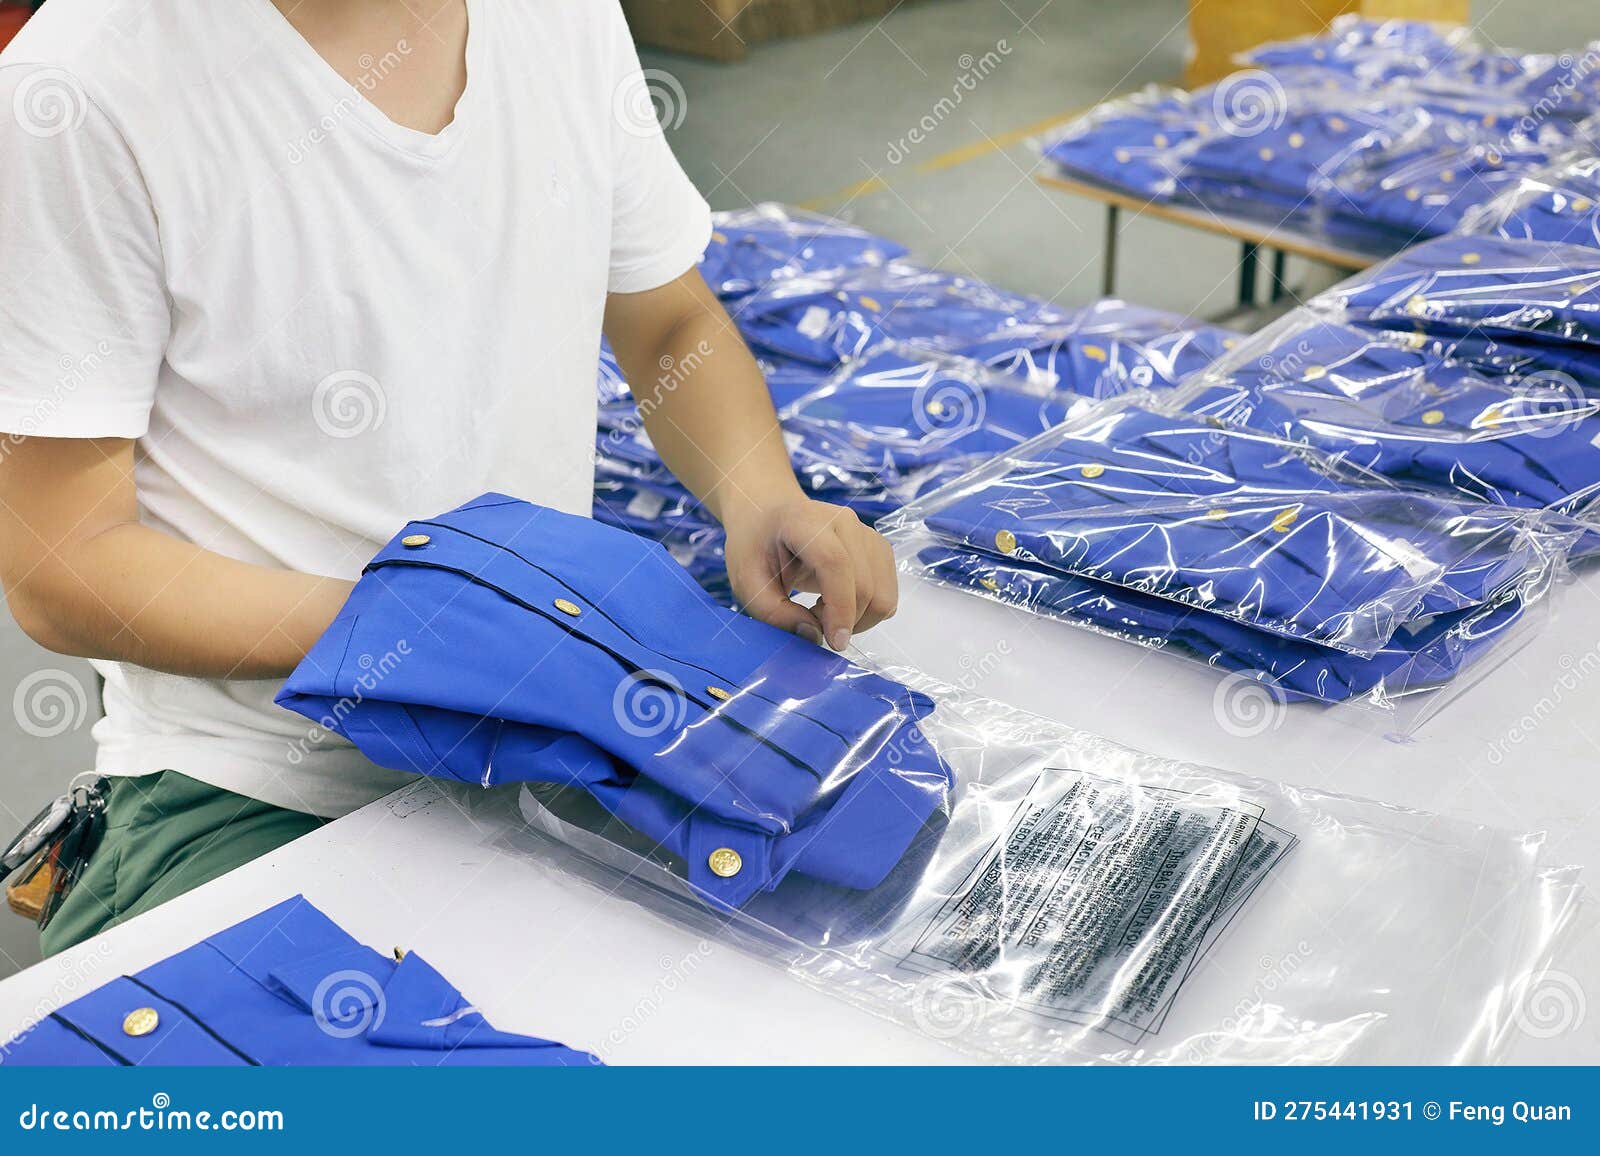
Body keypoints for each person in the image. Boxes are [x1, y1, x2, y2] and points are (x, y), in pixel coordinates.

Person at [0, 0, 897, 953]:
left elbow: (668, 320)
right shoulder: (83, 91)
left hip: (561, 739)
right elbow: (64, 563)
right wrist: (420, 628)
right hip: (260, 780)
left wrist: (760, 496)